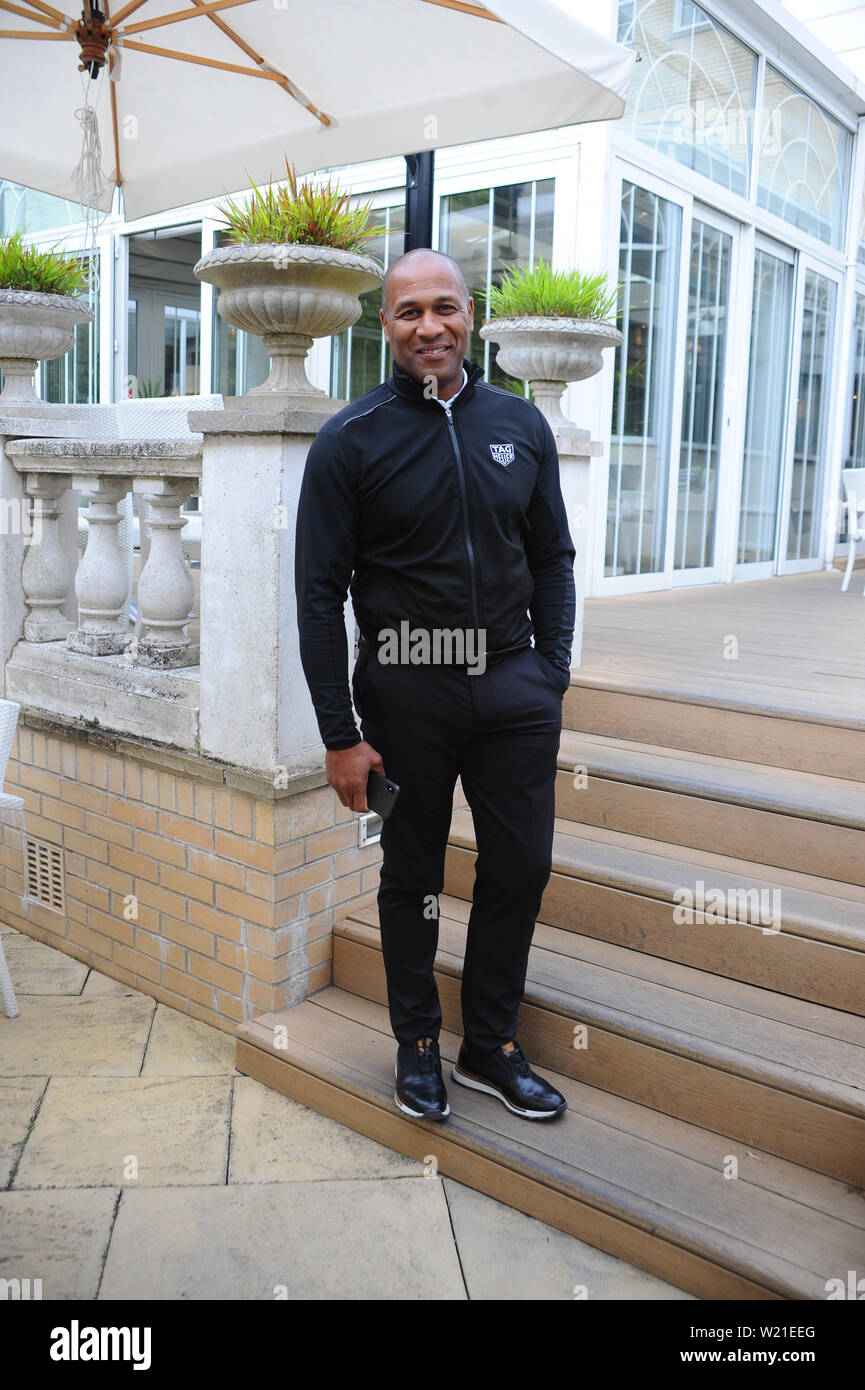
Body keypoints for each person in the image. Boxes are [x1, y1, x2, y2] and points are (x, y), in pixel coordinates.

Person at [295, 248, 575, 1123]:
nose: (429, 326)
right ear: (385, 325)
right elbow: (316, 594)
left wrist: (551, 671)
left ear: (470, 317)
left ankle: (488, 1045)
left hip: (513, 687)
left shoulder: (519, 425)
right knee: (413, 873)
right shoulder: (351, 437)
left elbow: (551, 557)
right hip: (406, 686)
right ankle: (415, 1044)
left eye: (444, 307)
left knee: (520, 867)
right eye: (409, 310)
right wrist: (340, 734)